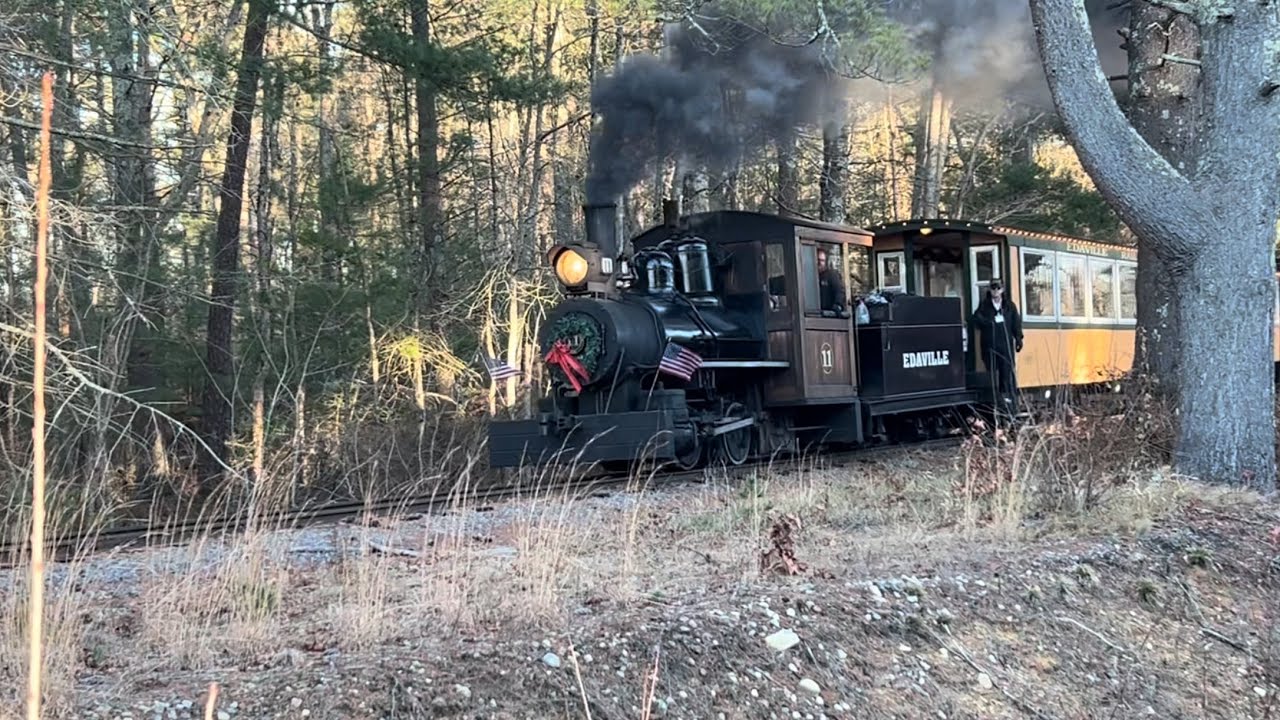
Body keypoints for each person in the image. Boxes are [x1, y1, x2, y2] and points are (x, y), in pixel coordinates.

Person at [970, 279, 1023, 409]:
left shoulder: (1009, 306)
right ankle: (994, 403)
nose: (995, 291)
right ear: (989, 290)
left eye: (998, 288)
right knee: (992, 376)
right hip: (990, 347)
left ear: (1002, 289)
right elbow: (975, 319)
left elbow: (1016, 323)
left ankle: (1010, 405)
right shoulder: (984, 306)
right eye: (993, 288)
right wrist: (987, 322)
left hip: (1005, 347)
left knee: (1007, 374)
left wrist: (1019, 338)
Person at [816, 246, 848, 316]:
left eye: (822, 260)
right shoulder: (808, 276)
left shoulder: (832, 275)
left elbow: (839, 291)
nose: (819, 263)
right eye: (818, 260)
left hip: (829, 315)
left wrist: (838, 304)